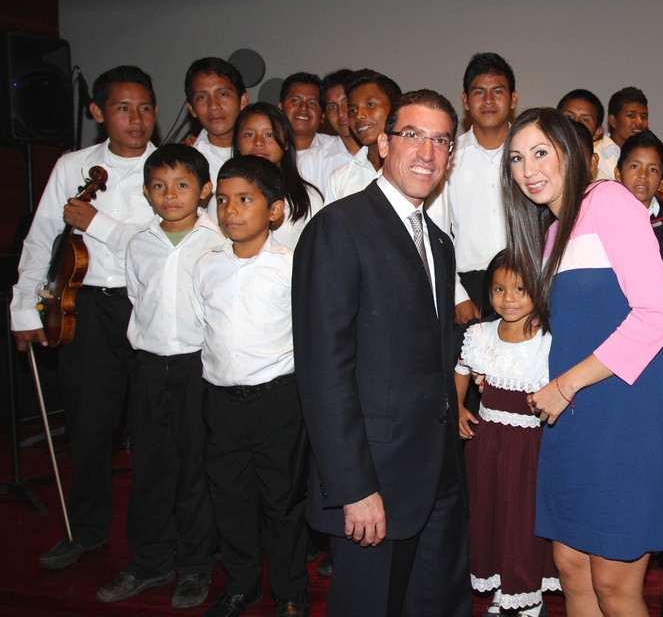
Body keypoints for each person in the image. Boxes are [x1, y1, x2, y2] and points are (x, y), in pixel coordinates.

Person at [292, 90, 471, 617]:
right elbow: (324, 373)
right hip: (375, 479)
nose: (427, 152)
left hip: (438, 472)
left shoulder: (438, 240)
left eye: (441, 141)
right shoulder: (339, 227)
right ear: (384, 143)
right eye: (413, 135)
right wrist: (353, 487)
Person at [503, 107, 663, 616]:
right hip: (576, 415)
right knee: (571, 569)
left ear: (573, 152)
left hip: (626, 411)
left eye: (541, 152)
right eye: (517, 158)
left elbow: (656, 314)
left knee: (613, 582)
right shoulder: (548, 235)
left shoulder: (608, 200)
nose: (528, 168)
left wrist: (565, 386)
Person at [11, 65, 158, 570]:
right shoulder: (72, 166)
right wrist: (22, 309)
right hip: (86, 305)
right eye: (122, 108)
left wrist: (98, 222)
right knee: (89, 428)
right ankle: (86, 531)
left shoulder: (175, 167)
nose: (135, 119)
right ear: (97, 113)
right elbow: (42, 239)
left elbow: (162, 247)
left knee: (153, 431)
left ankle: (155, 544)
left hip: (151, 307)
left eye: (144, 108)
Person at [95, 145, 223, 608]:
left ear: (205, 190)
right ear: (146, 192)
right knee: (149, 468)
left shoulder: (217, 241)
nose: (170, 195)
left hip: (197, 367)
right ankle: (149, 562)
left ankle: (195, 566)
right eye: (158, 186)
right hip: (149, 367)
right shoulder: (139, 241)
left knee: (195, 469)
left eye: (182, 184)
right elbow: (137, 296)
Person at [194, 155, 309, 617]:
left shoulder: (290, 265)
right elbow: (204, 327)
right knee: (230, 497)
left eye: (245, 199)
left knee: (282, 500)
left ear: (274, 210)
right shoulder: (206, 265)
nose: (230, 210)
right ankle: (242, 584)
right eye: (222, 200)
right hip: (221, 401)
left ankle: (289, 590)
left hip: (278, 401)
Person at [456, 251, 559, 616]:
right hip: (487, 445)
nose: (509, 298)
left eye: (519, 288)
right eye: (499, 289)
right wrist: (459, 406)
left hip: (528, 447)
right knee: (490, 513)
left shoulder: (547, 339)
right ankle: (502, 587)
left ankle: (527, 594)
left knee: (523, 518)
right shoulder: (481, 333)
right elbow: (461, 369)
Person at [429, 52, 518, 328]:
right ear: (465, 100)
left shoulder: (532, 154)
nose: (489, 100)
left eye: (498, 91)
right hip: (468, 290)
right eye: (479, 92)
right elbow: (437, 234)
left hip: (526, 284)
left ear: (513, 99)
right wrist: (457, 297)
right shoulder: (446, 156)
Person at [233, 102, 323, 249]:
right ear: (237, 142)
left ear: (287, 142)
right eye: (249, 134)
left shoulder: (308, 198)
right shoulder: (223, 196)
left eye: (269, 134)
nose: (259, 143)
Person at [614, 129, 663, 292]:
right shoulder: (601, 220)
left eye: (653, 169)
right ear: (618, 173)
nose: (643, 175)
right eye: (635, 166)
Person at [323, 70, 401, 202]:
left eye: (370, 104)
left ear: (396, 108)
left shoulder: (425, 167)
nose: (359, 116)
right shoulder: (341, 178)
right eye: (352, 110)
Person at [185, 57, 249, 187]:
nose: (213, 106)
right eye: (202, 97)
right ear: (192, 109)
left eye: (223, 94)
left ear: (242, 101)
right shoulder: (185, 160)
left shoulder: (265, 150)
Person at [596, 87, 648, 181]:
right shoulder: (593, 153)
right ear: (613, 120)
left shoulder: (651, 157)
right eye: (631, 116)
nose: (640, 122)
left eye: (644, 117)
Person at [279, 72, 333, 155]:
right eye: (295, 100)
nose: (303, 108)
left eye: (312, 103)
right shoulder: (265, 147)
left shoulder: (336, 149)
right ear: (280, 108)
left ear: (323, 116)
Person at [321, 68, 353, 142]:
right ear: (324, 115)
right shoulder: (316, 153)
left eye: (347, 103)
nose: (341, 113)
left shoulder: (383, 148)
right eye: (332, 107)